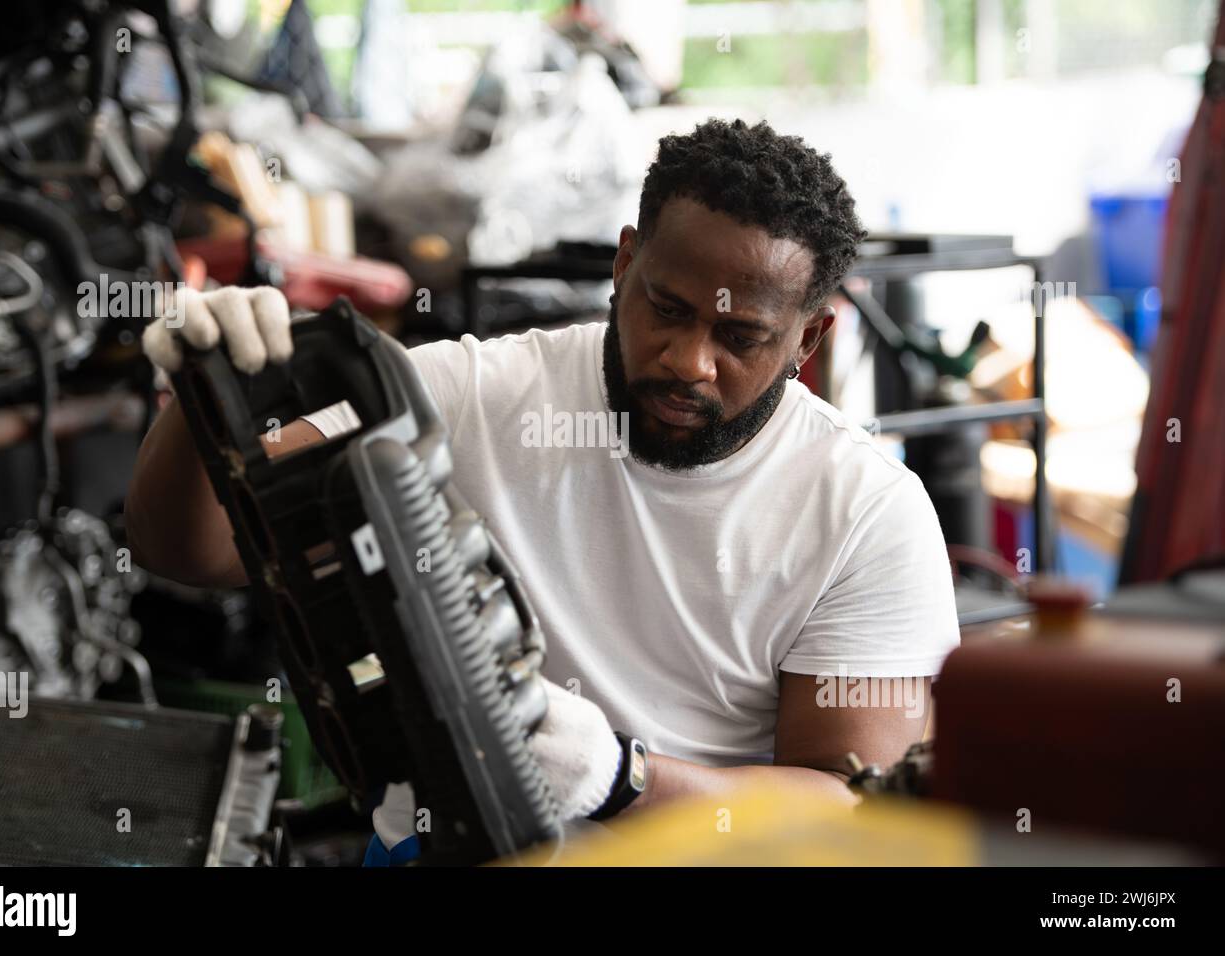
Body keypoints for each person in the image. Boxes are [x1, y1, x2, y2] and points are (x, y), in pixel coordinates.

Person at [126, 118, 959, 862]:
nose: (687, 360)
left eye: (741, 336)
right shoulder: (469, 394)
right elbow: (189, 549)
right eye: (665, 308)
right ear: (624, 264)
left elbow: (848, 810)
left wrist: (616, 777)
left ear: (809, 337)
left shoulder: (864, 514)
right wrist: (205, 391)